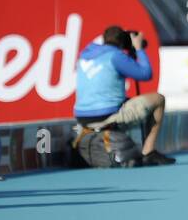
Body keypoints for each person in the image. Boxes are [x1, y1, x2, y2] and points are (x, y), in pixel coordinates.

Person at [74, 27, 176, 165]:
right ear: (123, 43)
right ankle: (148, 152)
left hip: (82, 117)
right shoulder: (115, 56)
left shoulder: (85, 55)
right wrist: (139, 48)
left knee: (126, 100)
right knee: (158, 99)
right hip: (106, 115)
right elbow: (146, 74)